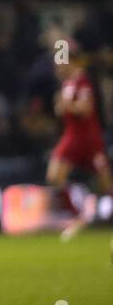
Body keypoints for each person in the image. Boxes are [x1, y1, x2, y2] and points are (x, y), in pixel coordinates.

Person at [47, 48, 111, 241]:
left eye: (61, 63)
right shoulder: (68, 83)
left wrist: (67, 106)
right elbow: (65, 110)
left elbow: (85, 109)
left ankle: (91, 217)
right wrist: (61, 107)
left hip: (88, 138)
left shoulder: (83, 82)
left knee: (107, 185)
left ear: (71, 62)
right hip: (71, 136)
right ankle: (77, 217)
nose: (58, 68)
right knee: (54, 177)